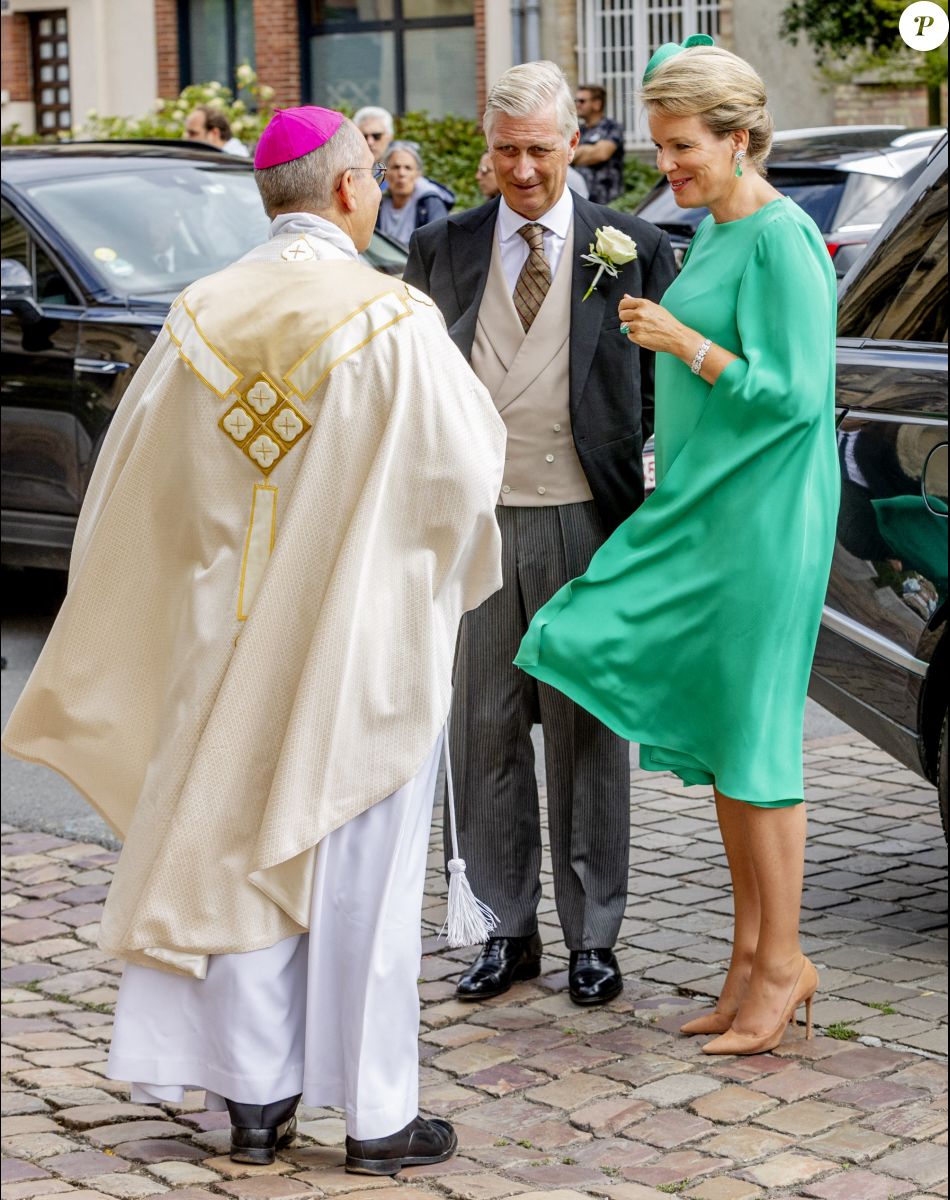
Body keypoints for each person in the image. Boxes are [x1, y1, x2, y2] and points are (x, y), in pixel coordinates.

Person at [3, 106, 506, 1168]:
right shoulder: (391, 318)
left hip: (223, 640)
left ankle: (252, 1105)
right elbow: (461, 474)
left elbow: (135, 491)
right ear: (341, 192)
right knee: (358, 884)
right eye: (367, 172)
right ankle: (375, 1120)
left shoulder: (196, 316)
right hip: (352, 647)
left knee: (230, 856)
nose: (373, 186)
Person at [515, 37, 839, 1055]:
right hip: (706, 510)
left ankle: (783, 965)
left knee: (753, 743)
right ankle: (747, 963)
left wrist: (680, 345)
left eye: (682, 147)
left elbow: (794, 397)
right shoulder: (716, 234)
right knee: (719, 744)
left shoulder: (781, 239)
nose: (667, 168)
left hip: (762, 522)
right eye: (660, 148)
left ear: (740, 138)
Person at [404, 61, 675, 1007]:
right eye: (506, 151)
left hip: (585, 522)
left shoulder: (632, 245)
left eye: (541, 151)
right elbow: (416, 381)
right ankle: (501, 929)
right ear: (488, 151)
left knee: (585, 729)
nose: (523, 170)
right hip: (473, 526)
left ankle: (594, 935)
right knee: (480, 730)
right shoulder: (445, 246)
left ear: (573, 146)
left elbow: (656, 394)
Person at [376, 140, 455, 247]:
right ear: (386, 173)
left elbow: (440, 245)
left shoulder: (430, 202)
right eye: (396, 167)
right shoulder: (379, 202)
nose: (401, 173)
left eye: (408, 168)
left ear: (418, 174)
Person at [572, 84, 624, 204]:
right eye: (576, 101)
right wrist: (588, 151)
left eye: (582, 101)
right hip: (581, 200)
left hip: (608, 201)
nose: (577, 104)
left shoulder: (611, 127)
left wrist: (574, 154)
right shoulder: (577, 130)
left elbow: (601, 154)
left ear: (597, 104)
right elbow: (564, 155)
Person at [184, 103, 249, 156]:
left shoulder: (234, 161)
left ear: (214, 133)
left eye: (193, 133)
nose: (186, 138)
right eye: (186, 132)